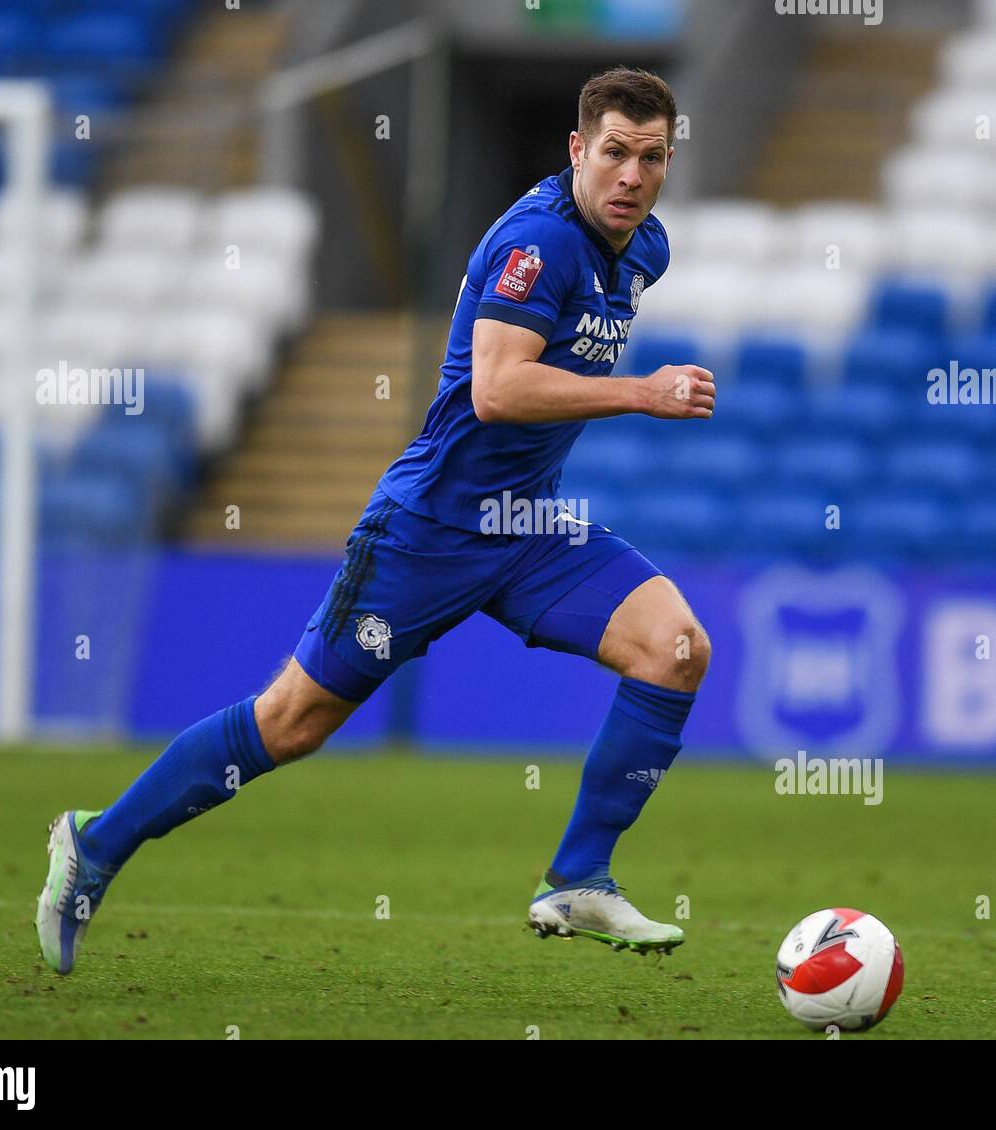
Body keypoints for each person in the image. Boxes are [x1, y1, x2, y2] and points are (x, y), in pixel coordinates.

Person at [37, 65, 715, 974]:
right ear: (577, 151)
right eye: (616, 154)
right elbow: (499, 388)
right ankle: (99, 842)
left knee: (674, 648)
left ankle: (579, 876)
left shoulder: (645, 248)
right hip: (426, 530)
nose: (633, 176)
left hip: (526, 527)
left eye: (653, 158)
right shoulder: (537, 245)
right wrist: (640, 392)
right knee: (293, 722)